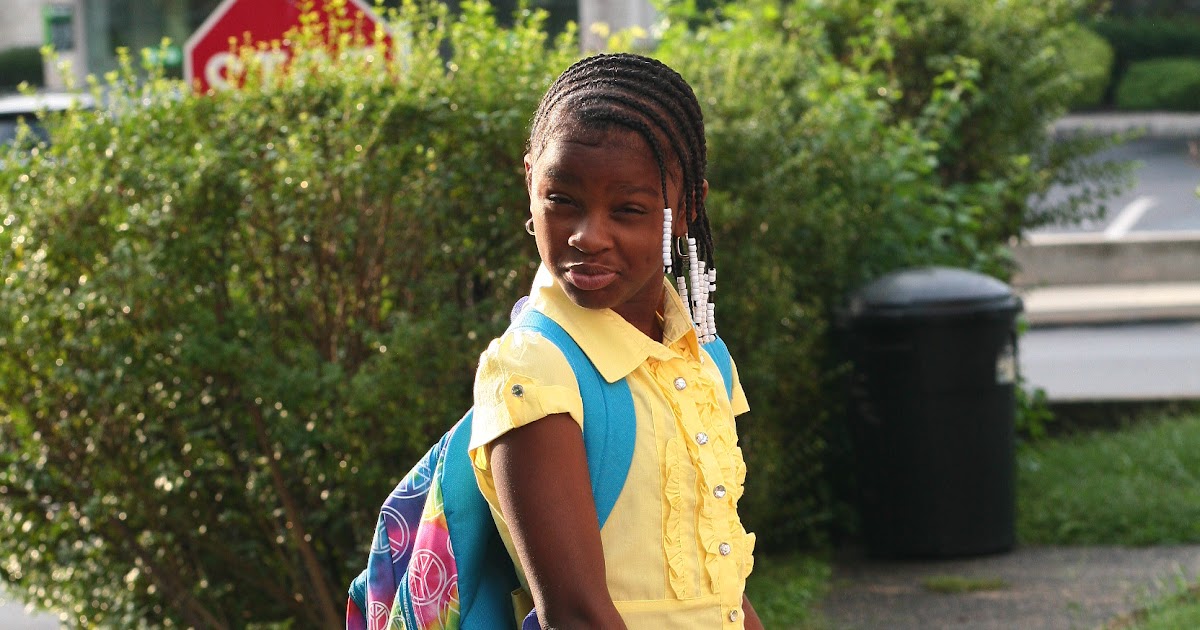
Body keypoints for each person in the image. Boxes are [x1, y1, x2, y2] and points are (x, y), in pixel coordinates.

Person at [468, 52, 762, 629]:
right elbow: (576, 614)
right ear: (530, 181)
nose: (588, 236)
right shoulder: (534, 369)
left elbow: (722, 592)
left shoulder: (704, 359)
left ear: (687, 208)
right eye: (562, 200)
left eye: (628, 209)